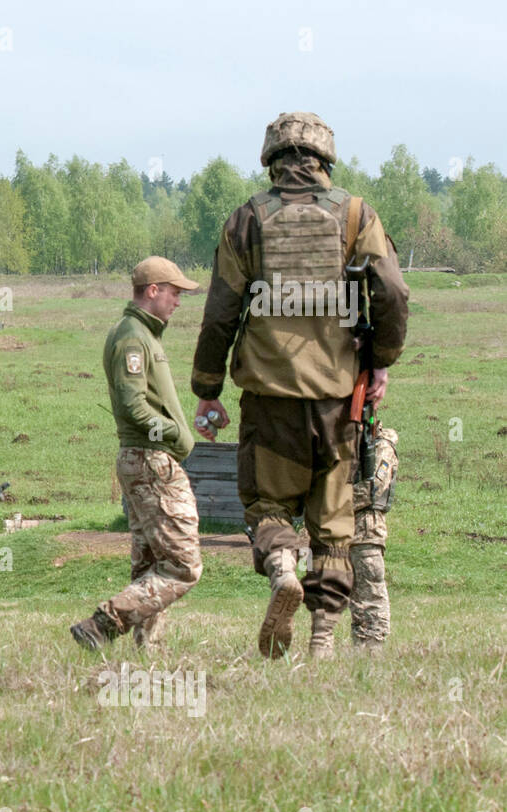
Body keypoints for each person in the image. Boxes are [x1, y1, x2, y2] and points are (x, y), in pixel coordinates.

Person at [190, 112, 408, 660]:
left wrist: (207, 385)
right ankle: (322, 639)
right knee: (335, 525)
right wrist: (380, 362)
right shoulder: (357, 216)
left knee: (267, 506)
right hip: (338, 401)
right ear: (325, 160)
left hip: (268, 399)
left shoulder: (246, 221)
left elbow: (220, 313)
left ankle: (283, 566)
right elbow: (393, 295)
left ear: (271, 159)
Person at [70, 257, 203, 651]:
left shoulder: (141, 334)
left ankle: (149, 649)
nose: (179, 301)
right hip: (152, 461)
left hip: (145, 459)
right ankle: (103, 623)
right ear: (153, 291)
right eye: (175, 292)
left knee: (151, 564)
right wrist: (175, 433)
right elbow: (133, 406)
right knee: (182, 567)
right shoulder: (133, 337)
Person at [349, 424, 398, 651]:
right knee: (357, 598)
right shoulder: (353, 446)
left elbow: (375, 488)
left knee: (371, 593)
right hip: (348, 531)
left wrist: (334, 502)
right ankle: (361, 648)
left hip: (367, 532)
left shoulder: (382, 447)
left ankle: (375, 649)